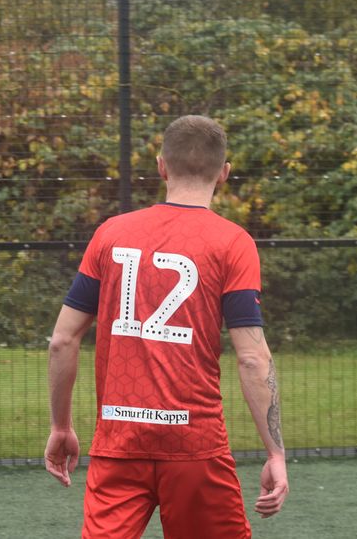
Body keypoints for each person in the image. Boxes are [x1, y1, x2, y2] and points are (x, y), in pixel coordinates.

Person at [44, 115, 289, 538]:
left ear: (161, 166)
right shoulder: (232, 243)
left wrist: (61, 427)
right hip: (195, 445)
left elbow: (63, 340)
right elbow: (251, 357)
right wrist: (276, 453)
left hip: (119, 441)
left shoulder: (110, 234)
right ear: (224, 174)